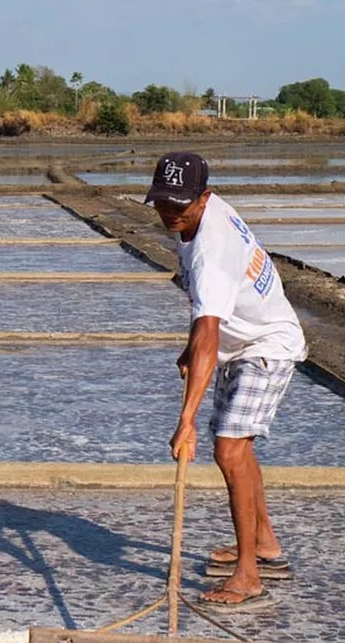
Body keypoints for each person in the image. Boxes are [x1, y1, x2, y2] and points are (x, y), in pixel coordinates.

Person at [145, 152, 307, 612]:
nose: (169, 214)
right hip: (240, 340)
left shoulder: (213, 249)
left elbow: (210, 326)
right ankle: (264, 546)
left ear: (205, 197)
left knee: (228, 448)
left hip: (266, 344)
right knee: (238, 448)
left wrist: (186, 420)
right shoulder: (195, 220)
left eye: (180, 206)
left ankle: (248, 576)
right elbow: (204, 317)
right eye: (162, 203)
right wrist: (190, 347)